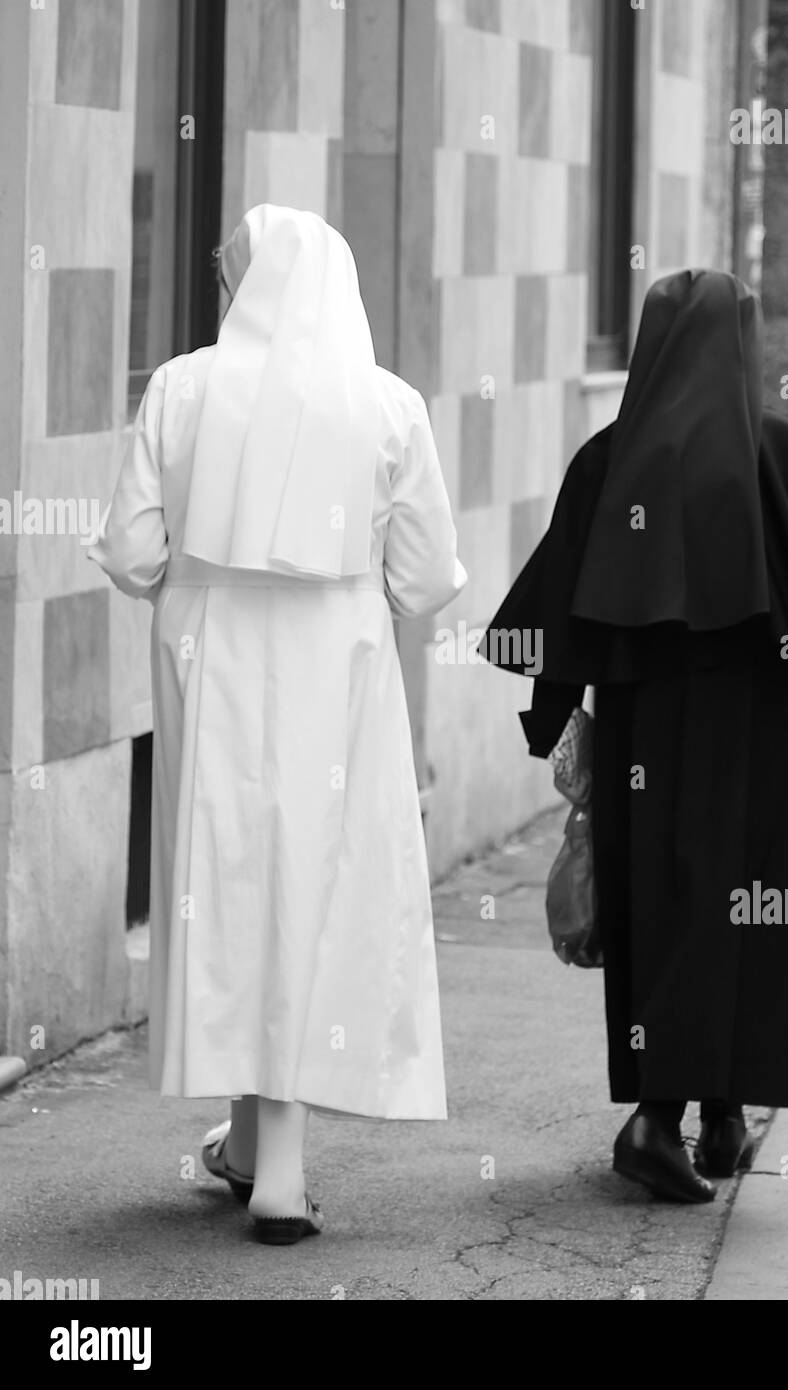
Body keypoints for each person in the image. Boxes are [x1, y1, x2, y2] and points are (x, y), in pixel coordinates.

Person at [482, 268, 788, 1204]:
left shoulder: (609, 460)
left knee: (668, 909)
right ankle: (691, 1119)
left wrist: (547, 718)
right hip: (761, 742)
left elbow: (562, 600)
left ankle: (681, 1114)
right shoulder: (780, 455)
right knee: (757, 913)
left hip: (648, 739)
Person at [89, 205, 466, 1243]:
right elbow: (428, 581)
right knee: (315, 887)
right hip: (336, 674)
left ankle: (262, 1152)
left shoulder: (179, 387)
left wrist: (194, 578)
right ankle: (274, 1167)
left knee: (231, 886)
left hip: (209, 665)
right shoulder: (387, 406)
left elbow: (127, 552)